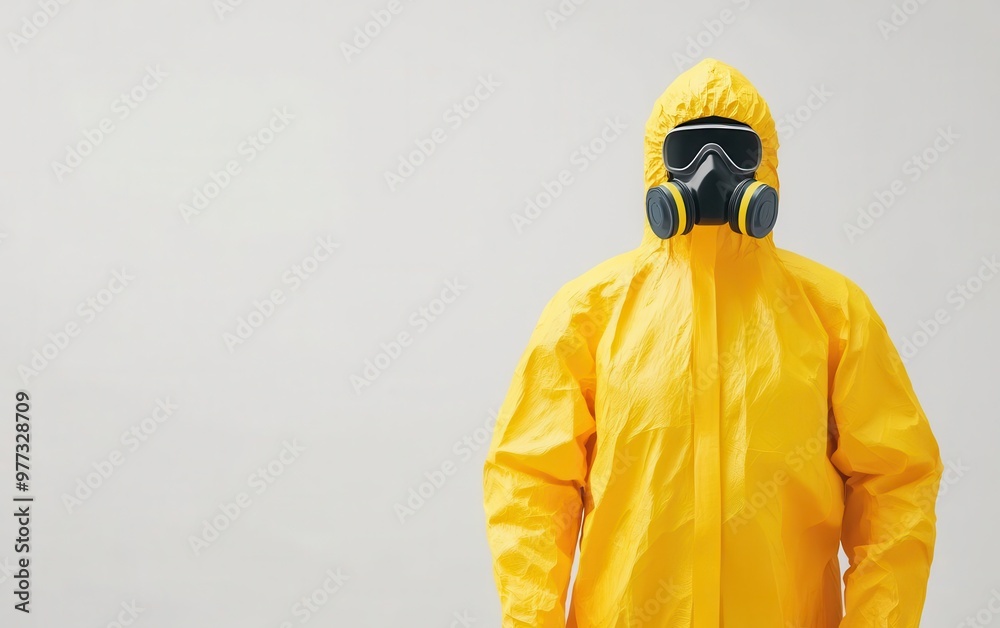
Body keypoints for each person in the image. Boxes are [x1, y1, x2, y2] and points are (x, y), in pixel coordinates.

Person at [482, 58, 943, 627]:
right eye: (689, 152)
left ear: (766, 163)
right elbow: (531, 480)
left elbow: (896, 481)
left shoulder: (833, 312)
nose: (711, 171)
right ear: (658, 164)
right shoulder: (589, 312)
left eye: (734, 151)